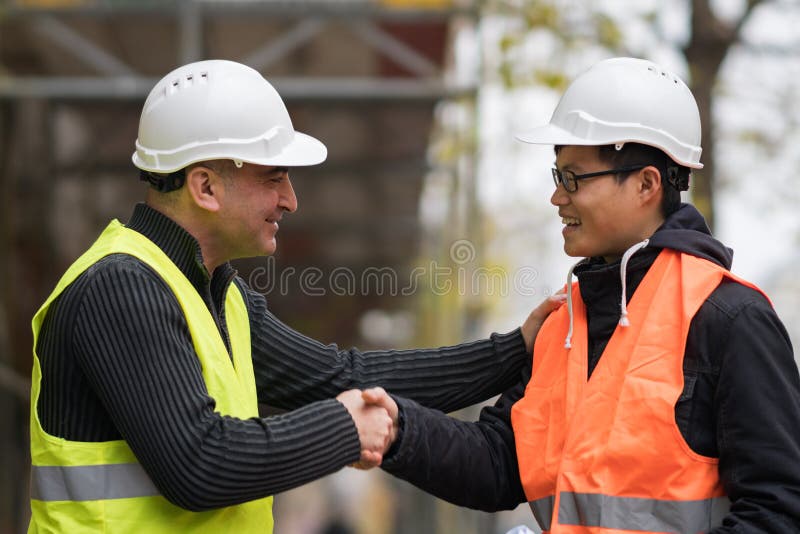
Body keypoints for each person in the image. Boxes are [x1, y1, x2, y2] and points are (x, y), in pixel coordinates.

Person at [28, 59, 560, 533]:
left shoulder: (220, 295)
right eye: (274, 177)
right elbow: (199, 465)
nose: (291, 200)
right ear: (205, 187)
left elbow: (345, 378)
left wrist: (516, 349)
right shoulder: (119, 289)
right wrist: (346, 426)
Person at [378, 57, 800, 532]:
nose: (557, 197)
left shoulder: (730, 319)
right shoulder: (566, 322)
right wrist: (397, 430)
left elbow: (778, 512)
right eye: (557, 177)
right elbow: (500, 462)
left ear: (646, 184)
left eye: (573, 178)